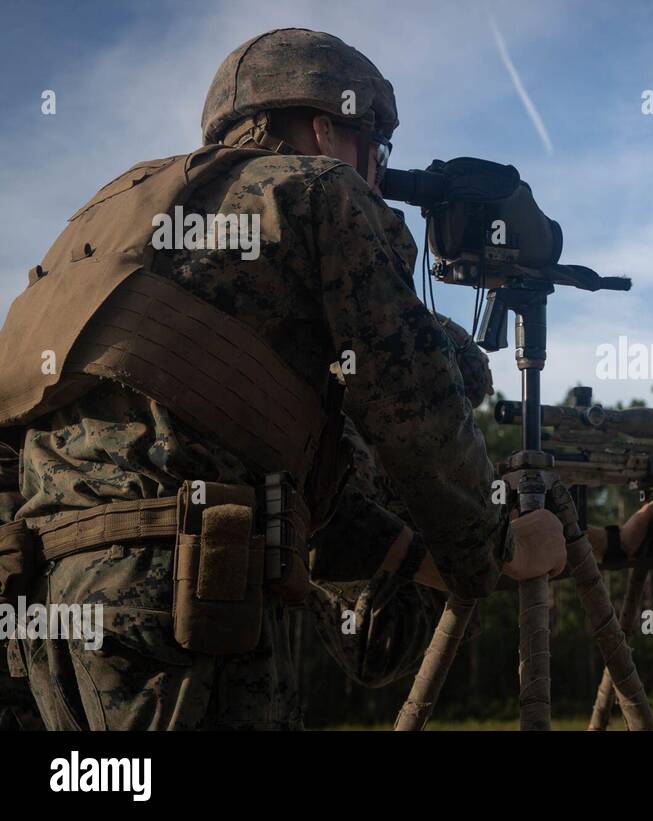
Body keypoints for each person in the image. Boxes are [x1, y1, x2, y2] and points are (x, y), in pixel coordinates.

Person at [0, 28, 569, 730]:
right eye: (375, 150)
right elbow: (415, 411)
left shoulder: (98, 224)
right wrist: (500, 549)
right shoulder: (319, 189)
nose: (377, 174)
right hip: (181, 601)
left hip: (36, 608)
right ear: (328, 129)